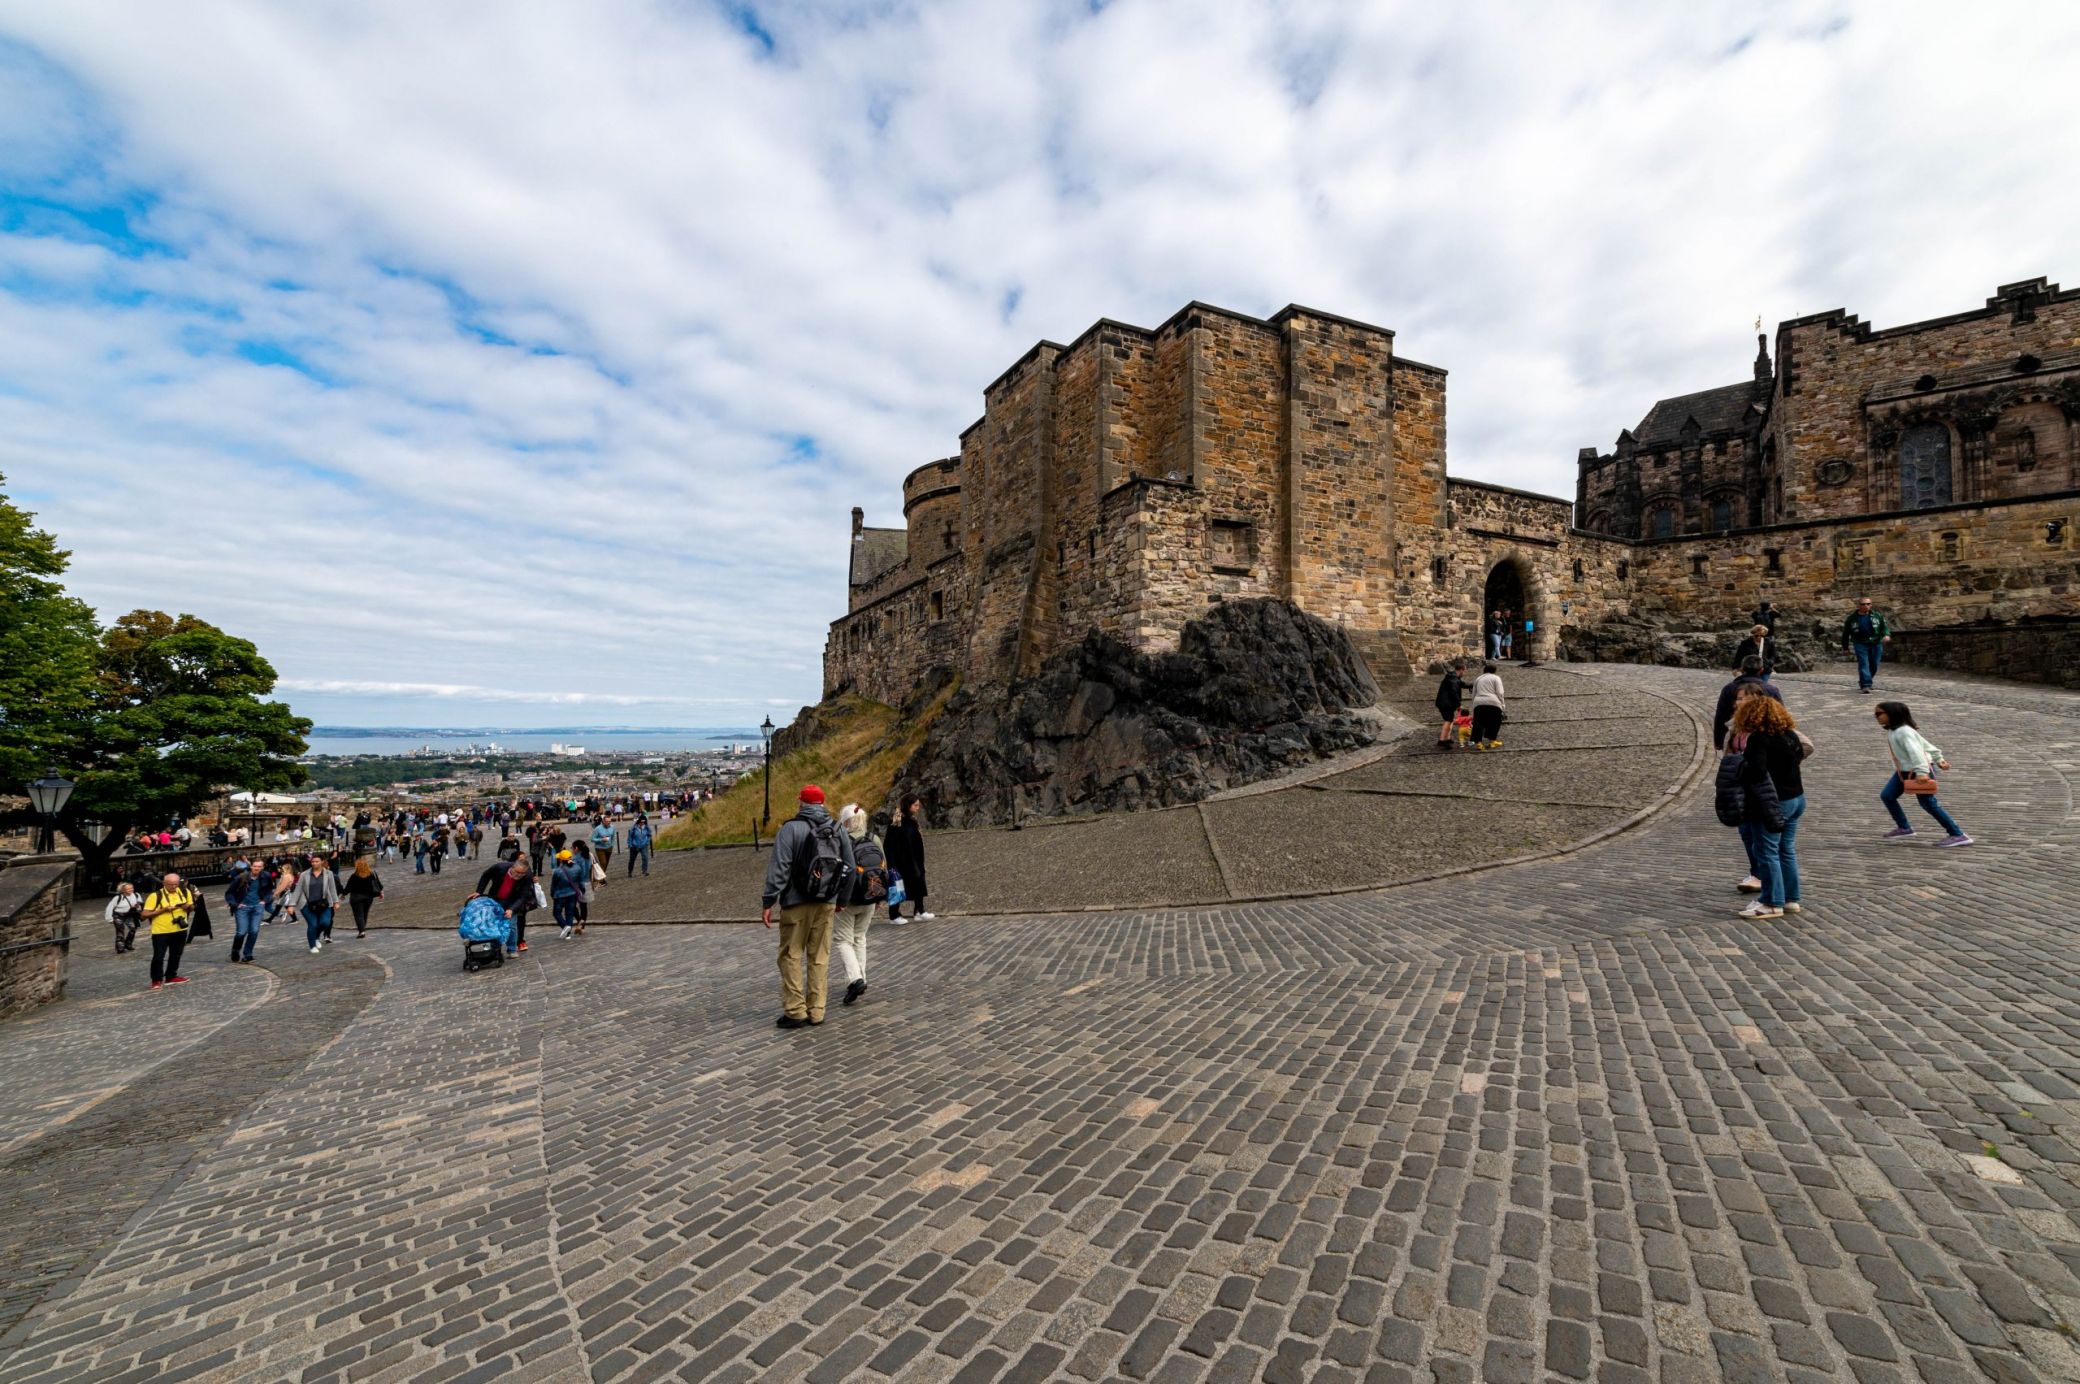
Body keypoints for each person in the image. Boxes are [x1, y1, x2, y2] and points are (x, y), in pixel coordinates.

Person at [761, 785, 856, 1029]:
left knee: (791, 955)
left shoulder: (790, 828)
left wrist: (769, 900)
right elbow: (850, 868)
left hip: (796, 902)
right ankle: (817, 1010)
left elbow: (780, 868)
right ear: (823, 804)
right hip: (826, 901)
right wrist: (841, 899)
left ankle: (795, 1010)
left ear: (800, 802)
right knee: (819, 957)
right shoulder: (837, 829)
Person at [1730, 694, 1806, 920]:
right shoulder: (1789, 735)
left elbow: (1756, 771)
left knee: (1766, 851)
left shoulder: (1759, 739)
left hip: (1772, 802)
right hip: (1796, 798)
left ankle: (1772, 901)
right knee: (1786, 850)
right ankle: (1791, 898)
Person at [1876, 701, 1971, 846]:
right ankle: (1904, 827)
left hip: (1918, 771)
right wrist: (1940, 759)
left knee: (1928, 804)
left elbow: (1917, 752)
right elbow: (1926, 745)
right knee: (1887, 796)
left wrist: (1922, 772)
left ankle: (1958, 834)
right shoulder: (1894, 730)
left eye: (1879, 713)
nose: (1876, 717)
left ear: (1893, 714)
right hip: (1904, 771)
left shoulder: (1904, 732)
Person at [832, 803, 885, 1007]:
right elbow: (883, 867)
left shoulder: (840, 840)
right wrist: (880, 896)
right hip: (870, 895)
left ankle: (855, 979)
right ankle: (861, 976)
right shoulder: (874, 839)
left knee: (843, 940)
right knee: (859, 937)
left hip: (848, 898)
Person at [1712, 657, 1783, 752]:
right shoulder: (1771, 690)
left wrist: (1718, 740)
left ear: (1742, 669)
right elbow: (1780, 715)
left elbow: (1721, 715)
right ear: (1761, 670)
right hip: (1765, 736)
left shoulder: (1729, 689)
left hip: (1736, 737)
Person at [141, 872, 196, 989]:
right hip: (161, 931)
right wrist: (163, 910)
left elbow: (192, 907)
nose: (174, 887)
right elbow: (144, 914)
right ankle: (156, 980)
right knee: (159, 956)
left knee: (176, 954)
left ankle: (171, 976)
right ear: (164, 883)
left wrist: (188, 907)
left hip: (180, 928)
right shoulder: (155, 896)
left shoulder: (185, 892)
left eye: (176, 884)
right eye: (170, 884)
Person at [883, 794, 933, 922]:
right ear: (908, 805)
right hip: (901, 862)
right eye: (915, 805)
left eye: (918, 806)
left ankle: (919, 910)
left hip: (915, 861)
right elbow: (889, 845)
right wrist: (892, 864)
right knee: (897, 886)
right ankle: (894, 915)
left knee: (919, 883)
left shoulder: (913, 821)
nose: (917, 808)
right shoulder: (896, 822)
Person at [474, 855, 538, 953]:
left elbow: (523, 896)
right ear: (512, 867)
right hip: (496, 899)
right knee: (491, 924)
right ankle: (493, 948)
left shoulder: (527, 875)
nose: (518, 875)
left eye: (521, 873)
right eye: (517, 872)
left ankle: (512, 949)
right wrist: (479, 891)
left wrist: (511, 909)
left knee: (511, 925)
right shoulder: (500, 867)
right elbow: (485, 875)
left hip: (513, 901)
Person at [1842, 596, 1892, 693]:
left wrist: (1886, 635)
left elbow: (1884, 627)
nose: (1866, 606)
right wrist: (1845, 647)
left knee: (1874, 664)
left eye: (1868, 604)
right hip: (1860, 643)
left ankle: (1865, 680)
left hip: (1876, 642)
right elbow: (1846, 634)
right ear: (1859, 606)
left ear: (1871, 605)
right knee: (1864, 663)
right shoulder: (1852, 619)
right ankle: (1866, 685)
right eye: (1863, 604)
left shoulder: (1877, 616)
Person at [295, 854, 341, 954]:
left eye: (317, 861)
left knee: (325, 922)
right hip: (307, 904)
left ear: (322, 862)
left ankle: (316, 937)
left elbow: (332, 889)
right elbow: (298, 889)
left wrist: (336, 901)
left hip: (324, 903)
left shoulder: (329, 874)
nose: (314, 863)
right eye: (313, 862)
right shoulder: (304, 875)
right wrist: (291, 904)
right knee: (313, 924)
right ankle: (312, 946)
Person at [224, 861, 265, 962]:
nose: (257, 868)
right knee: (241, 932)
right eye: (255, 866)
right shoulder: (241, 877)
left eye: (259, 866)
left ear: (262, 868)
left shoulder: (265, 877)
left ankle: (248, 954)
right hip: (243, 908)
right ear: (251, 867)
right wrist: (236, 904)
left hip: (257, 907)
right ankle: (235, 950)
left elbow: (269, 889)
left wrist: (265, 900)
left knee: (254, 931)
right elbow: (229, 893)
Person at [342, 857, 384, 938]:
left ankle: (362, 931)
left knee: (358, 915)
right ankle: (362, 929)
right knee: (365, 913)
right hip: (368, 897)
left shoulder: (354, 876)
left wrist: (343, 895)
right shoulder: (372, 874)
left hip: (356, 898)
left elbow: (348, 888)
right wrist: (381, 893)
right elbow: (378, 885)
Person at [549, 849, 584, 943]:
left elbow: (554, 885)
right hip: (572, 894)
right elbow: (580, 882)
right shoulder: (577, 867)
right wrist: (582, 891)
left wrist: (552, 894)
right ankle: (568, 933)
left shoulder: (557, 871)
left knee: (556, 913)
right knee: (569, 913)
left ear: (561, 860)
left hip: (559, 895)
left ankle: (565, 927)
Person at [1469, 663, 1506, 751]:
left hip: (1479, 702)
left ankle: (1479, 743)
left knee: (1478, 723)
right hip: (1493, 702)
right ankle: (1492, 741)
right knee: (1494, 722)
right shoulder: (1496, 678)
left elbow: (1474, 693)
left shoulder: (1478, 678)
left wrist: (1474, 704)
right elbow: (1500, 693)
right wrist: (1502, 704)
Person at [1434, 658, 1467, 751]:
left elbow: (1463, 684)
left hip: (1446, 703)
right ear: (1461, 670)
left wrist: (1475, 684)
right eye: (1465, 671)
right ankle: (1442, 740)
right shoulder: (1453, 678)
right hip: (1445, 704)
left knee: (1450, 720)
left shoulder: (1454, 677)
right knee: (1448, 720)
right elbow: (1454, 693)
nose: (1465, 673)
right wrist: (1459, 705)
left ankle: (1447, 738)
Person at [104, 882, 144, 954]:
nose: (131, 890)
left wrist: (138, 908)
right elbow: (109, 908)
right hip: (118, 915)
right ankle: (120, 948)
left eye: (132, 888)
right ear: (123, 890)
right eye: (128, 889)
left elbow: (140, 904)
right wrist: (109, 919)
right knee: (120, 931)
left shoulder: (136, 895)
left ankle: (128, 944)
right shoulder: (117, 898)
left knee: (133, 929)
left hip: (129, 915)